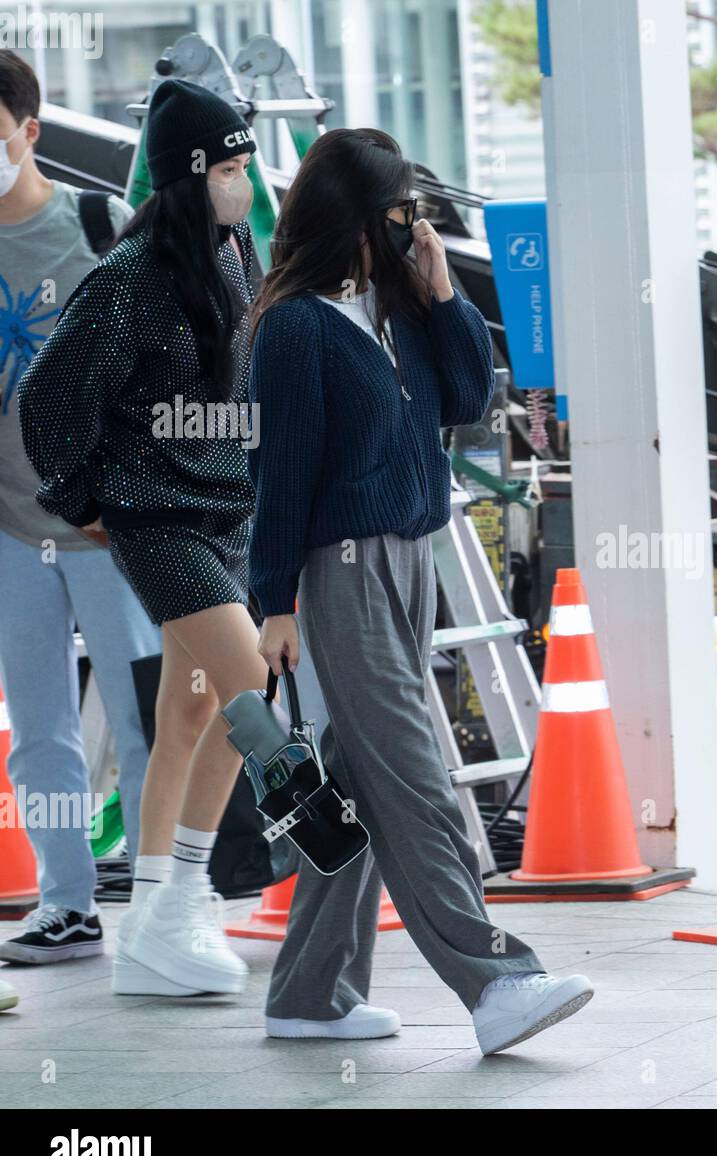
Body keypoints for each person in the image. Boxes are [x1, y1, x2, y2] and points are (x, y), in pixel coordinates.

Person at [246, 128, 593, 1052]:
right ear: (355, 216)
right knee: (420, 780)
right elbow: (280, 475)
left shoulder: (391, 310)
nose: (414, 225)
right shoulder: (294, 326)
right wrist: (273, 602)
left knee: (359, 783)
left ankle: (310, 994)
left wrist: (444, 294)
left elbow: (470, 400)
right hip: (342, 571)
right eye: (402, 211)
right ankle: (495, 982)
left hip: (410, 561)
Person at [18, 78, 268, 997]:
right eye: (232, 167)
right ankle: (180, 900)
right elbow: (48, 401)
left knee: (189, 714)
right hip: (156, 520)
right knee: (252, 689)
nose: (245, 181)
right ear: (189, 175)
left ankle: (155, 928)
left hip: (223, 511)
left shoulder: (235, 249)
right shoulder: (127, 278)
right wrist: (82, 500)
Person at [0, 50, 159, 968]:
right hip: (14, 528)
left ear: (31, 130)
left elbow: (156, 362)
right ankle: (66, 902)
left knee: (141, 719)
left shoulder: (98, 226)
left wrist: (125, 492)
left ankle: (156, 899)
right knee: (39, 730)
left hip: (104, 524)